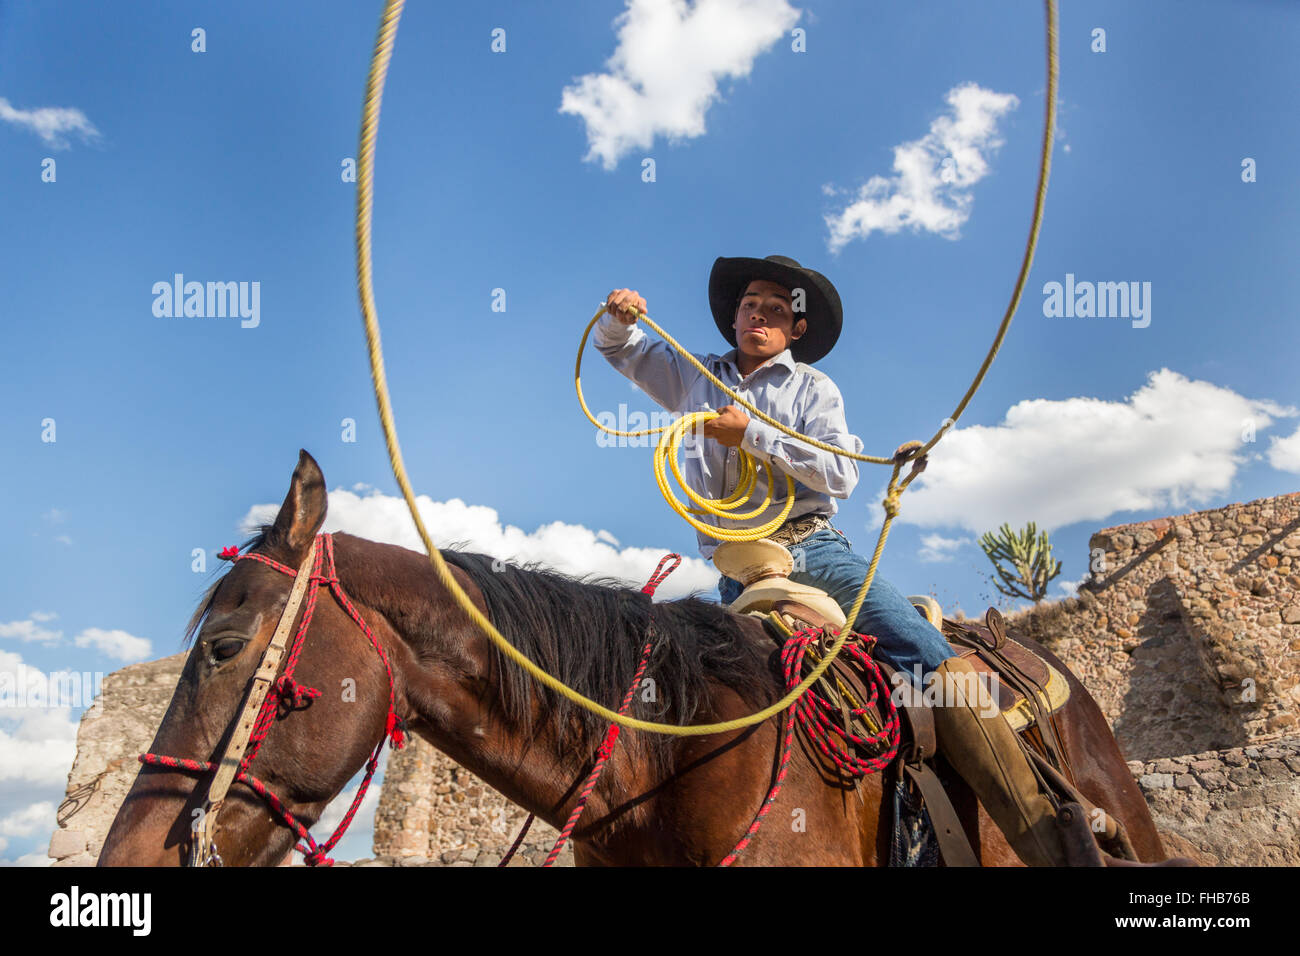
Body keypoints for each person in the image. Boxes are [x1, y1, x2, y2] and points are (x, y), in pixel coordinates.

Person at [594, 254, 1075, 866]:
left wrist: (753, 436)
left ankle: (1042, 834)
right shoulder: (695, 376)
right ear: (733, 318)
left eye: (775, 309)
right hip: (736, 569)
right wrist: (617, 315)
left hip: (812, 548)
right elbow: (623, 351)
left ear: (795, 330)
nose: (758, 315)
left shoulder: (813, 388)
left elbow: (842, 473)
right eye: (749, 305)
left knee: (923, 653)